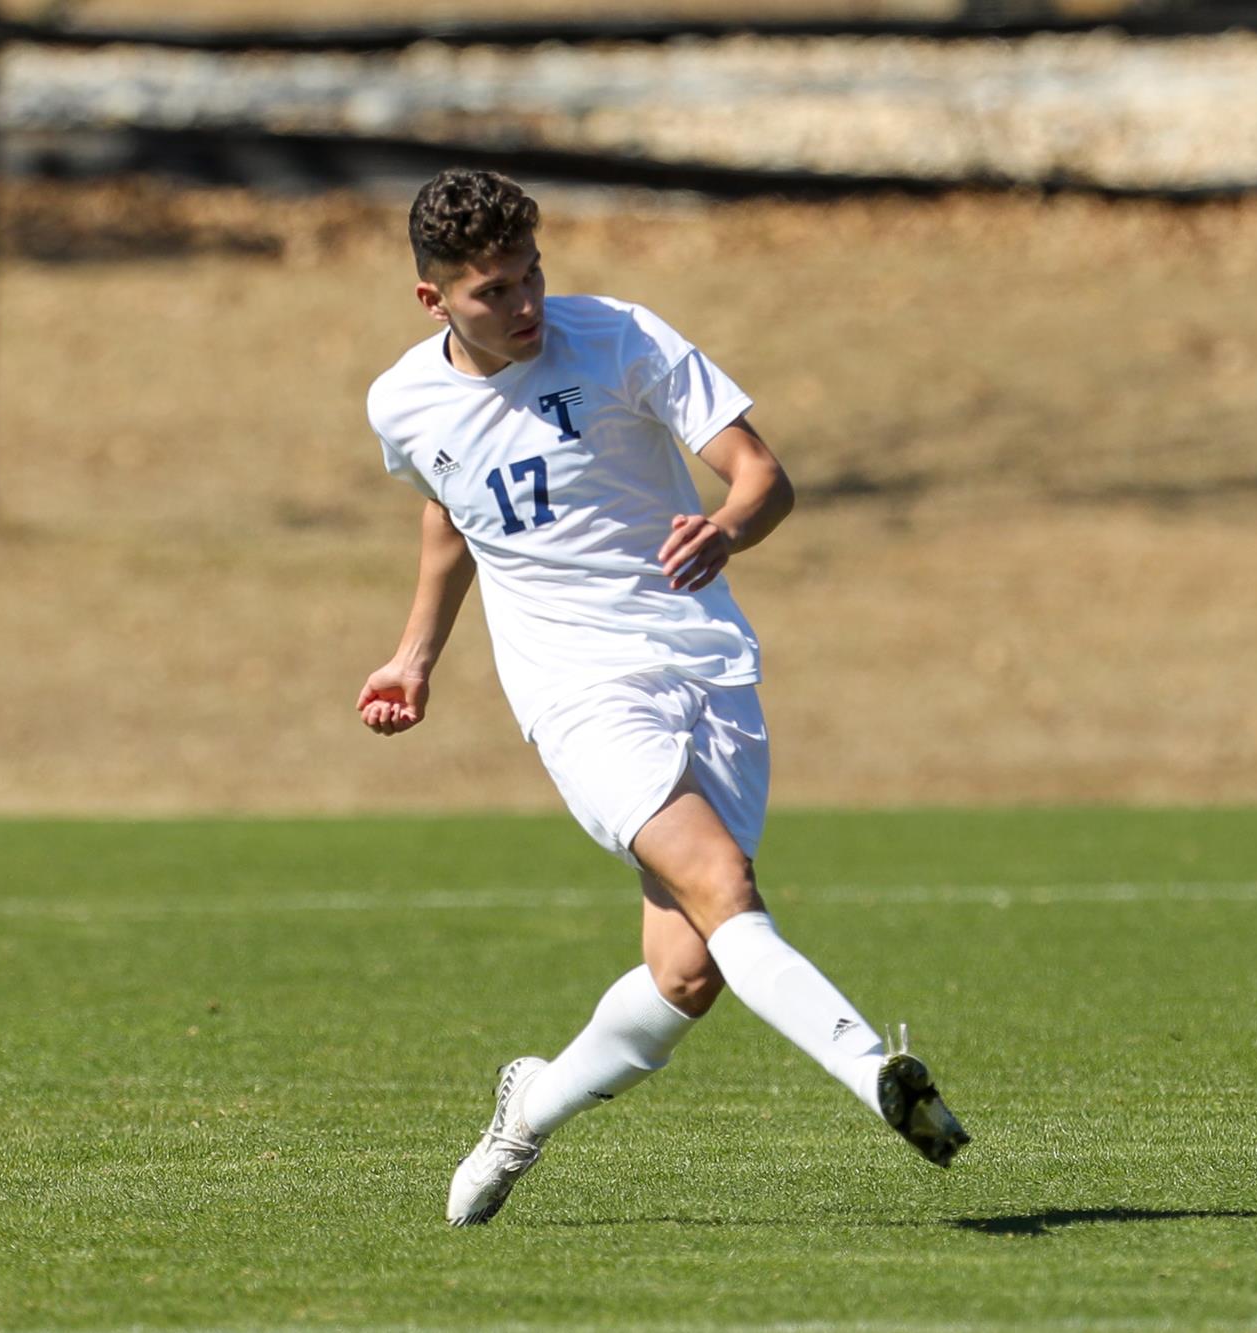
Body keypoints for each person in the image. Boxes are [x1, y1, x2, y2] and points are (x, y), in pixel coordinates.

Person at [356, 168, 970, 1227]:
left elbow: (760, 475)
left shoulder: (622, 338)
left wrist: (726, 527)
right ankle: (877, 1074)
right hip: (576, 687)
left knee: (687, 972)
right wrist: (416, 653)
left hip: (704, 662)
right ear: (433, 301)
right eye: (493, 291)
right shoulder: (400, 402)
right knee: (721, 878)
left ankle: (524, 1114)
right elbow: (447, 514)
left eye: (531, 275)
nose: (524, 306)